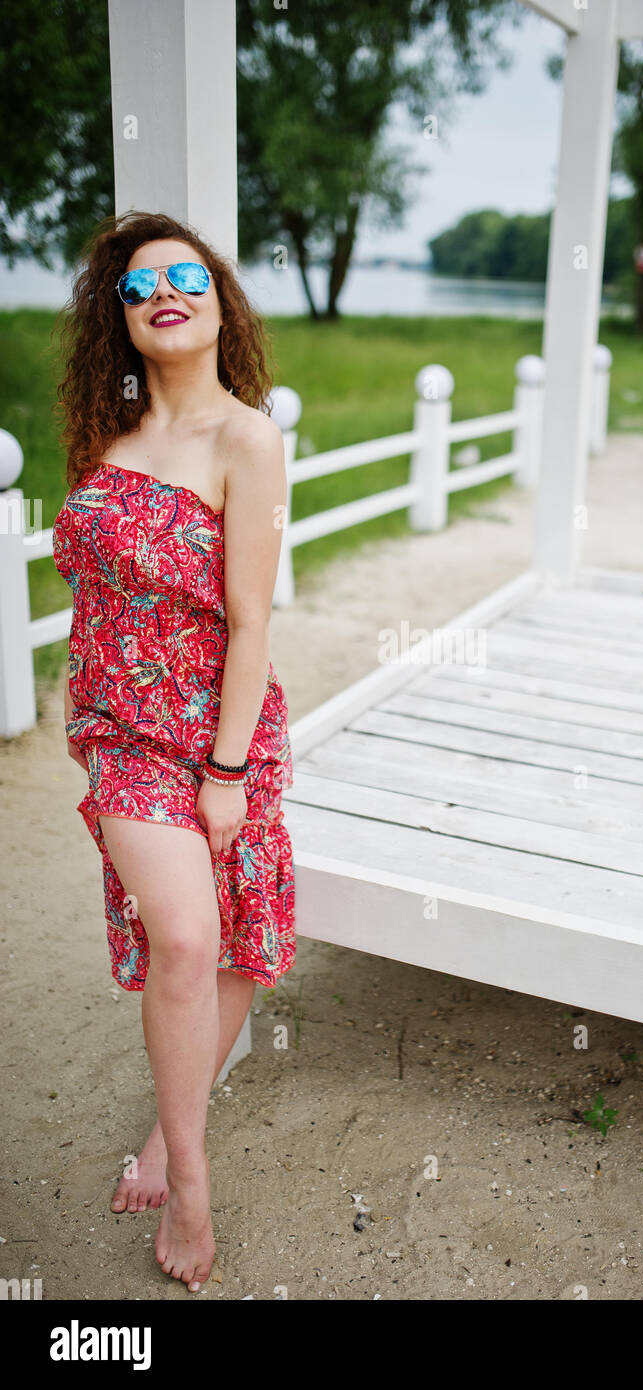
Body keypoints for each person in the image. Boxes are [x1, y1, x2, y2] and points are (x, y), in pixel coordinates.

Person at [52, 210, 296, 1294]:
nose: (165, 291)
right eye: (138, 283)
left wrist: (229, 770)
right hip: (120, 729)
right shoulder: (103, 435)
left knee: (236, 936)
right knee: (186, 939)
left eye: (186, 275)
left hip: (221, 728)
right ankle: (194, 1181)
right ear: (120, 318)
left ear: (218, 303)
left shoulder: (246, 438)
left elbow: (249, 619)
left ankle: (165, 1132)